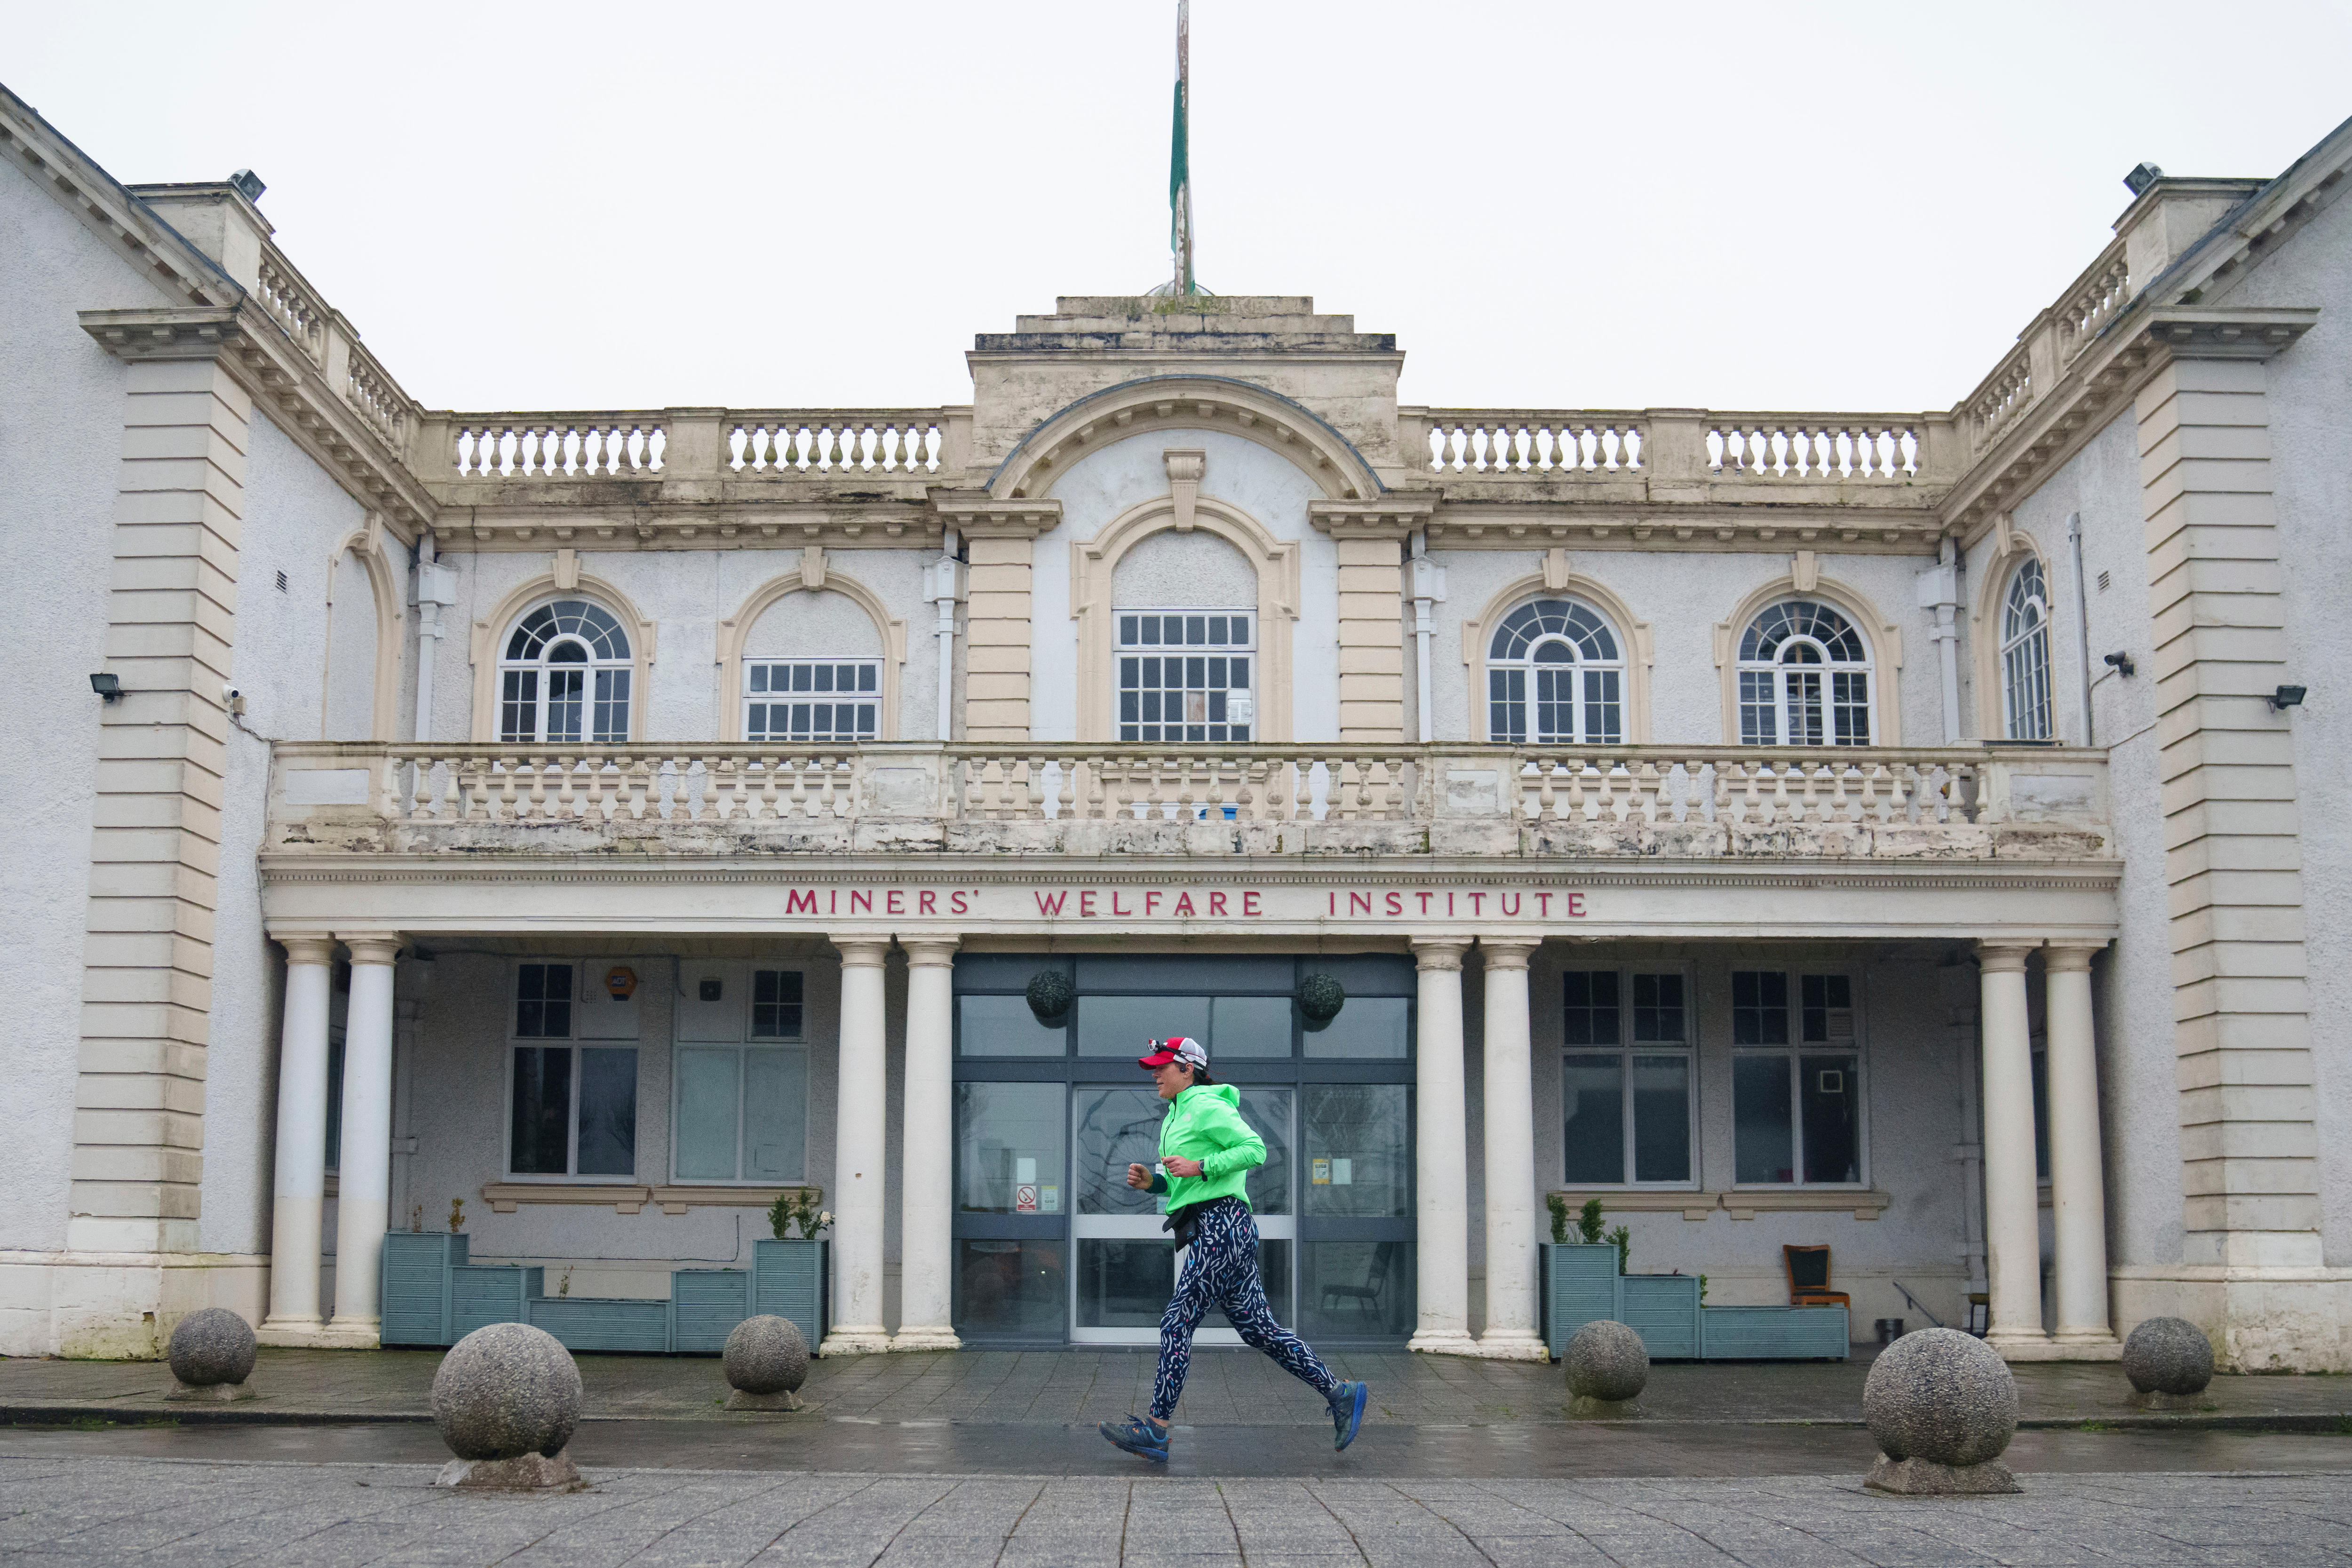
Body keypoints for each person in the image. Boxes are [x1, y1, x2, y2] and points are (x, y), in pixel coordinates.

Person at [1097, 1035, 1369, 1463]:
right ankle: (1341, 1393)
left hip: (1222, 1226)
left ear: (1187, 1068)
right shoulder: (1175, 1114)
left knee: (1176, 1322)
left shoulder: (1208, 1105)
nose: (1155, 1074)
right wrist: (1156, 1183)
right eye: (1153, 1067)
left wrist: (1201, 1165)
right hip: (1222, 1227)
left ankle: (1155, 1429)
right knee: (1260, 1330)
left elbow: (1254, 1149)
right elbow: (1189, 1181)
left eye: (1161, 1066)